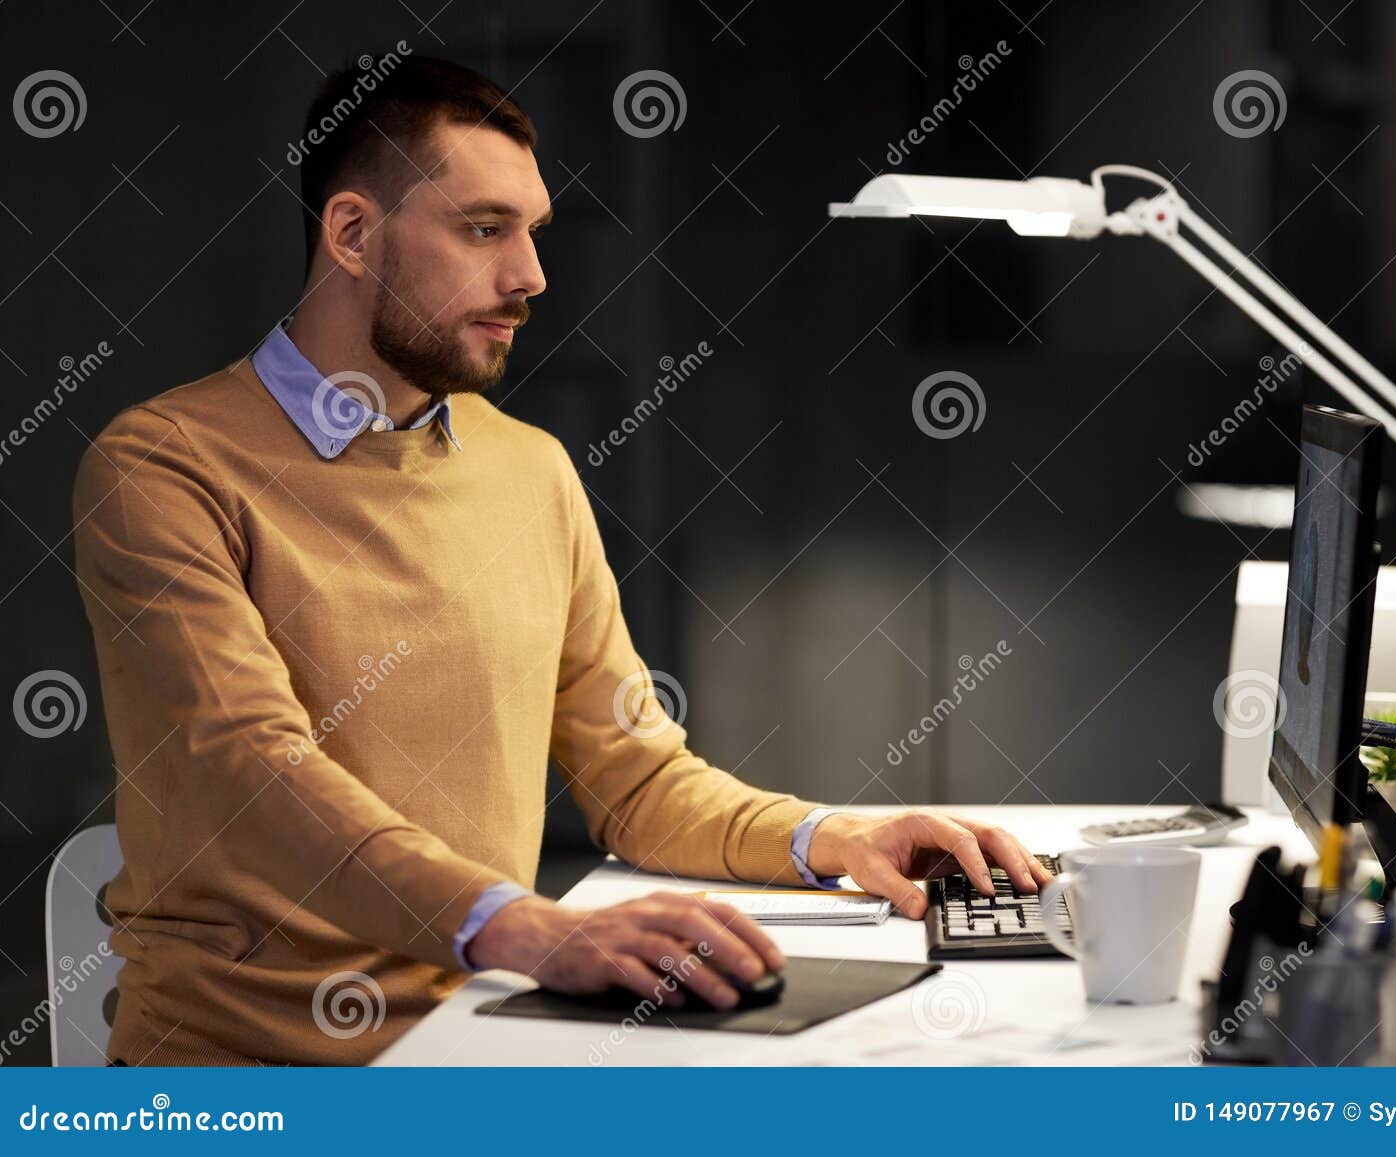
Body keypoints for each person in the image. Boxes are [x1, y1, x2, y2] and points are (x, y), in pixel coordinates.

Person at [72, 55, 1051, 1066]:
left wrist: (831, 839)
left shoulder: (529, 468)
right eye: (483, 228)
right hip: (253, 1068)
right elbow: (254, 770)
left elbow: (636, 777)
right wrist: (531, 927)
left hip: (487, 1035)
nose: (529, 276)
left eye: (532, 232)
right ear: (353, 233)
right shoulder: (162, 466)